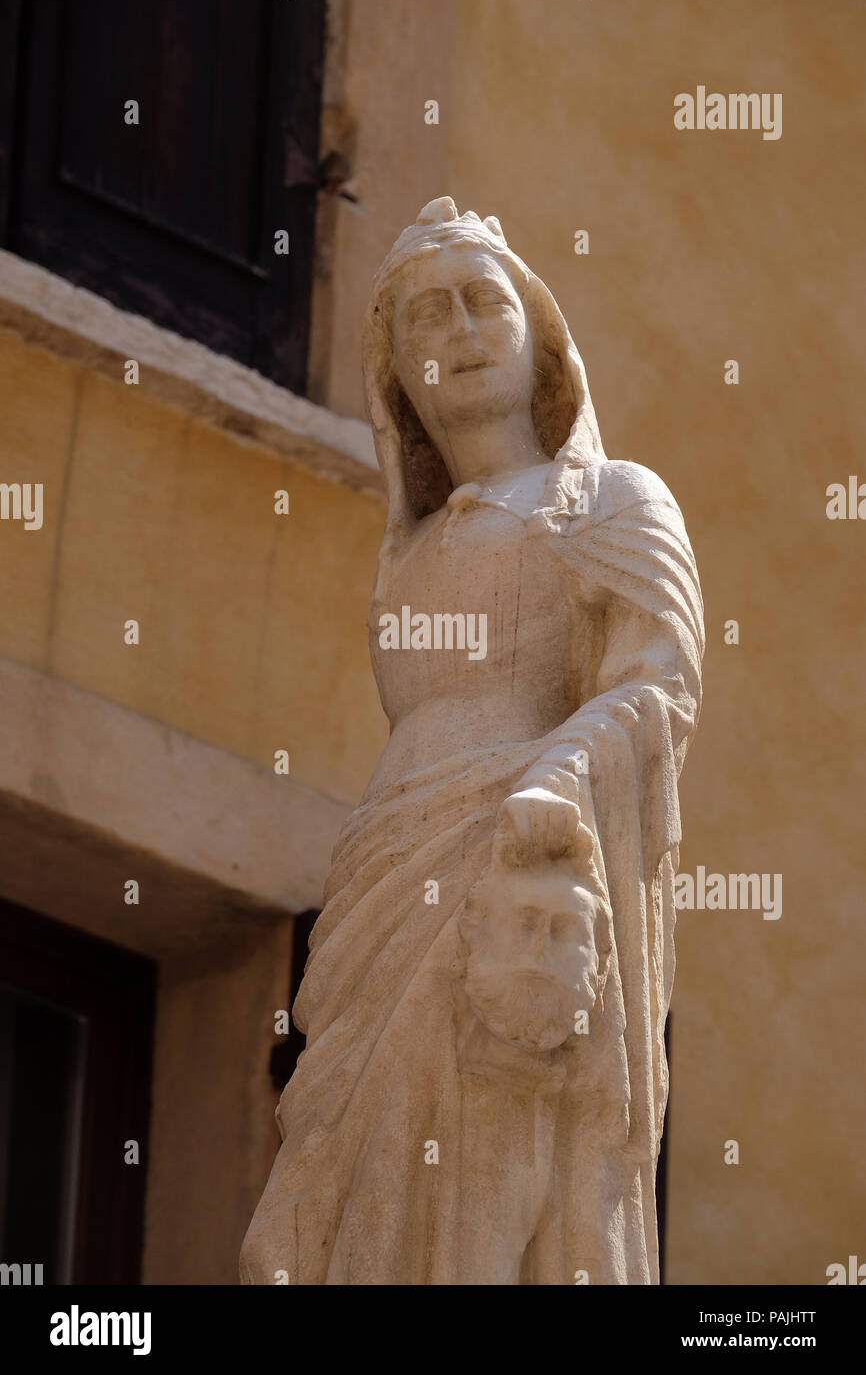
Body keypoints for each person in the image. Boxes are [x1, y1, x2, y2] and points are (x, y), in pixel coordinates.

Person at [241, 197, 704, 1285]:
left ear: (535, 331)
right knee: (315, 1210)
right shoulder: (405, 556)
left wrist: (557, 774)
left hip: (507, 858)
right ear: (394, 373)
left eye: (481, 301)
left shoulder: (608, 501)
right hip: (380, 886)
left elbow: (659, 679)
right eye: (425, 318)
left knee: (485, 1179)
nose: (457, 327)